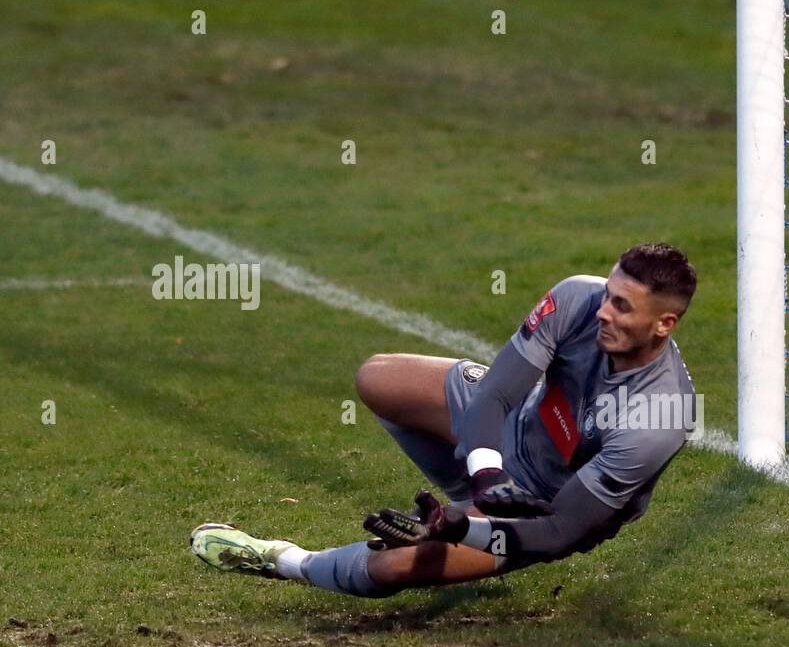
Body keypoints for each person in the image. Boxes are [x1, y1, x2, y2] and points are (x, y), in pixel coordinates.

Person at [190, 242, 699, 598]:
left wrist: (461, 531)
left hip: (543, 507)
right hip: (515, 430)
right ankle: (471, 497)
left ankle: (282, 559)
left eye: (622, 306)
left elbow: (562, 530)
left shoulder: (658, 420)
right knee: (378, 378)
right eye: (608, 294)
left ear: (664, 324)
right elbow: (495, 396)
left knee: (392, 567)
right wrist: (487, 473)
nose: (603, 313)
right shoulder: (577, 299)